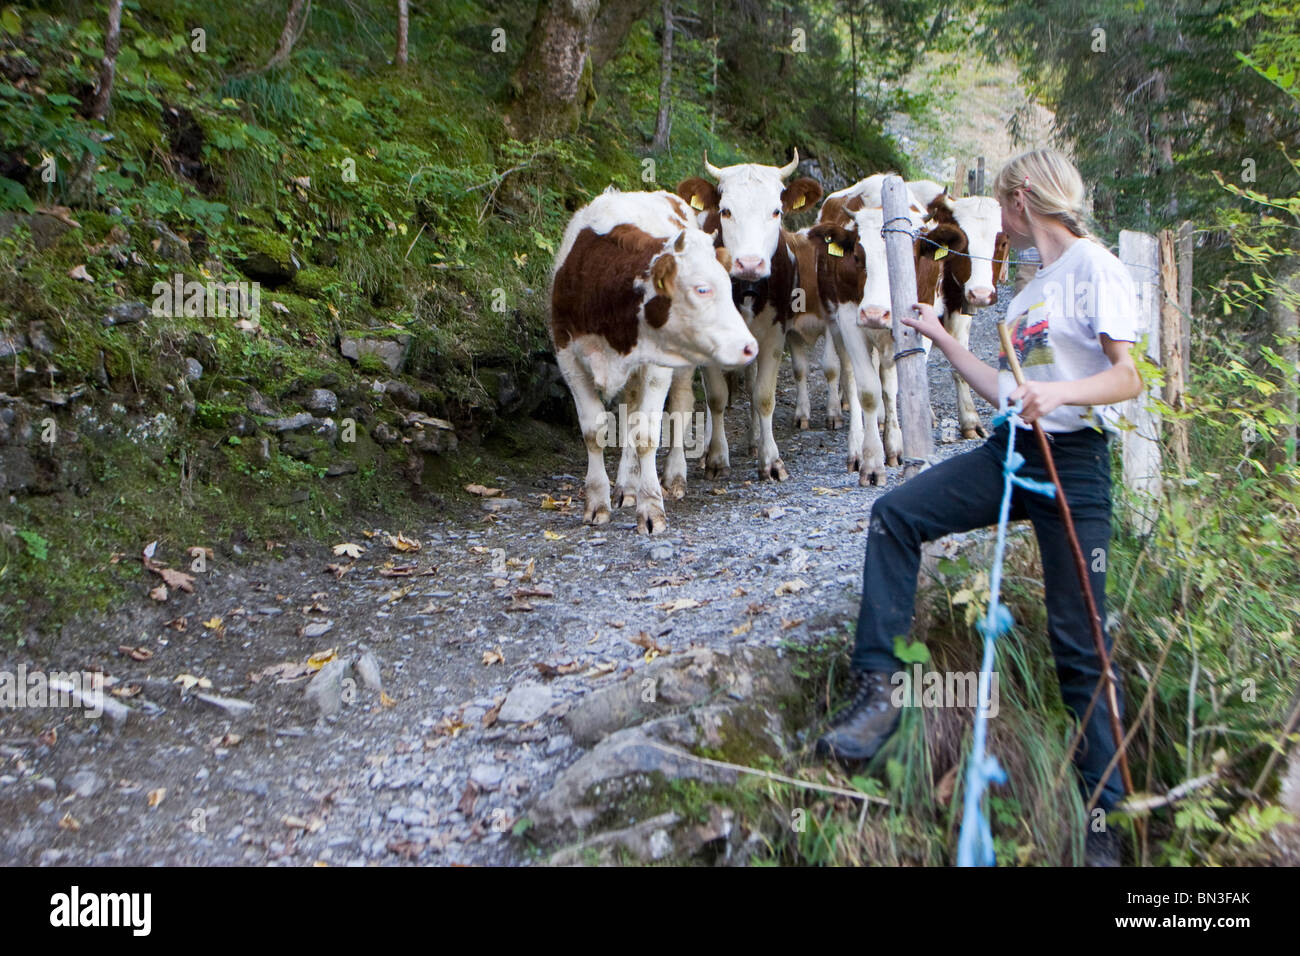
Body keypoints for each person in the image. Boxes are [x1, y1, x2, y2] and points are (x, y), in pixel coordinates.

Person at [812, 148, 1145, 866]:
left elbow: (1127, 378)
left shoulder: (1096, 269)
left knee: (1081, 647)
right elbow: (1003, 386)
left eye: (1004, 207)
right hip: (1012, 455)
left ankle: (1103, 831)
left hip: (1074, 466)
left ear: (1023, 198)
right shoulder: (1029, 295)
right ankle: (879, 697)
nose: (1003, 225)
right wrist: (936, 337)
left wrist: (1057, 394)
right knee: (895, 517)